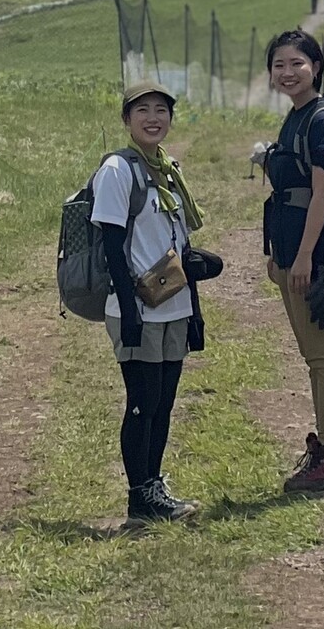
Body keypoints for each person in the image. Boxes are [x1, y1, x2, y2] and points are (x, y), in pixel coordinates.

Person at [92, 79, 208, 523]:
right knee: (142, 402)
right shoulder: (118, 171)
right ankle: (139, 497)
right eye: (142, 110)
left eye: (161, 110)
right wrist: (129, 311)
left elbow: (176, 242)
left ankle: (153, 487)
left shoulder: (168, 170)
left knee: (164, 403)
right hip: (137, 309)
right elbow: (112, 245)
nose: (153, 118)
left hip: (173, 305)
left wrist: (195, 305)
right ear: (126, 119)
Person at [261, 28, 324, 492]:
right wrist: (278, 256)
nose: (288, 72)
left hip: (313, 258)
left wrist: (302, 259)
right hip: (291, 254)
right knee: (314, 356)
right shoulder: (296, 116)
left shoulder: (322, 120)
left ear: (316, 67)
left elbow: (321, 194)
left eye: (297, 63)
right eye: (279, 65)